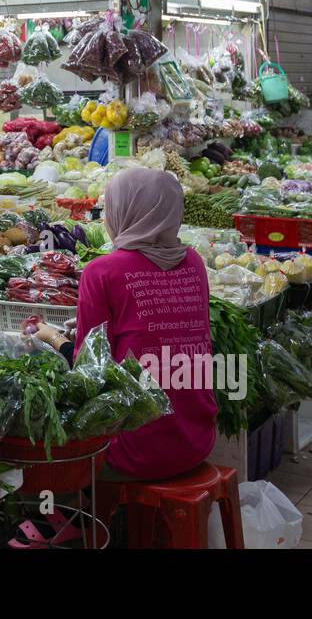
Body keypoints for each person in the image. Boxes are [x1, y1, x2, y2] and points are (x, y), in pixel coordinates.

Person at [34, 167, 218, 480]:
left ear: (126, 212)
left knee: (35, 426)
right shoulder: (193, 261)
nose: (105, 217)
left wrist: (53, 338)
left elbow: (89, 371)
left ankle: (66, 522)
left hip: (135, 450)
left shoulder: (102, 271)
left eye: (109, 208)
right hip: (197, 440)